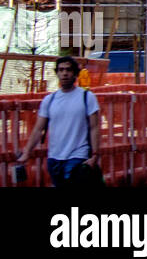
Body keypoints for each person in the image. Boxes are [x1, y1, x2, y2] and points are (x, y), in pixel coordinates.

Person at [16, 56, 101, 187]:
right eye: (61, 70)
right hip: (54, 159)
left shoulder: (87, 97)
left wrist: (95, 155)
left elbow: (94, 127)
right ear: (57, 73)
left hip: (78, 157)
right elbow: (38, 129)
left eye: (68, 70)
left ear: (75, 73)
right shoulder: (49, 100)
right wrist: (27, 153)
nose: (64, 73)